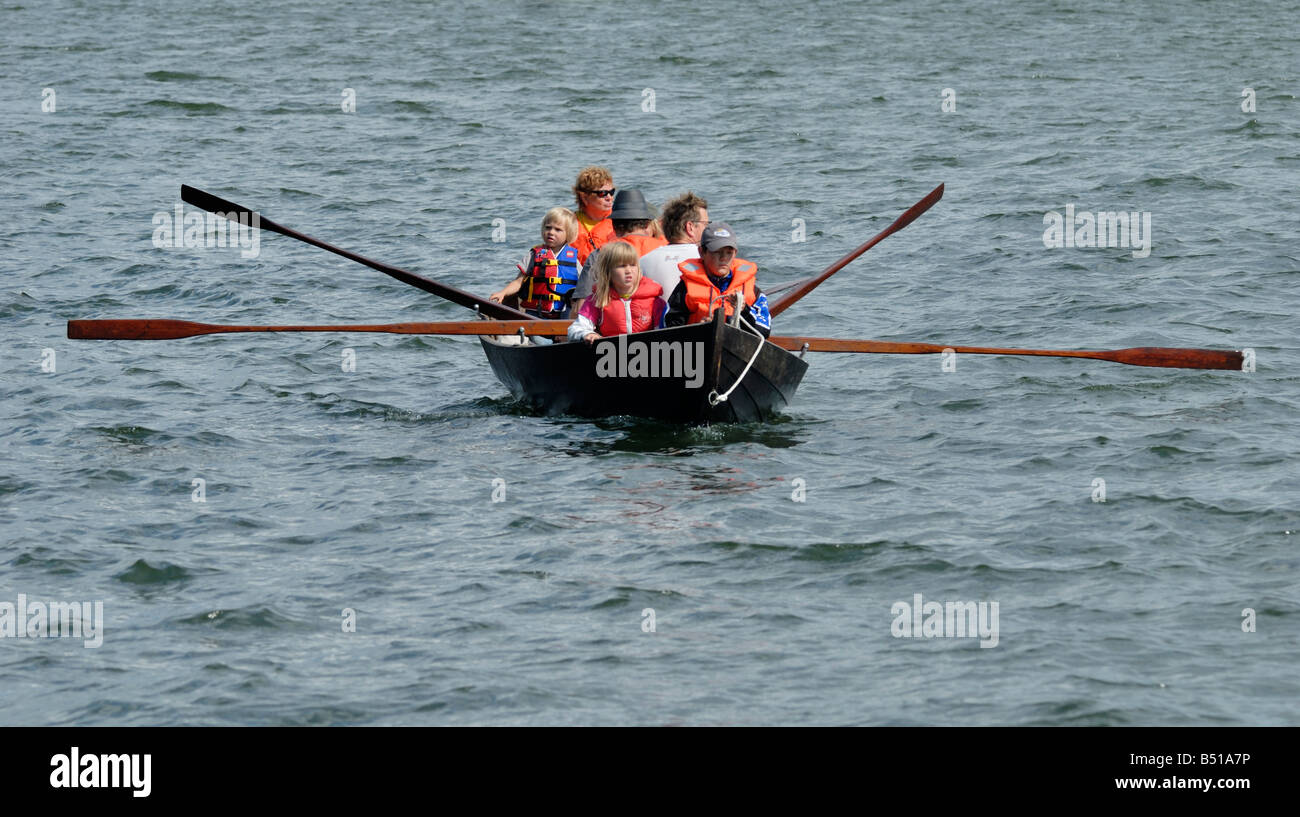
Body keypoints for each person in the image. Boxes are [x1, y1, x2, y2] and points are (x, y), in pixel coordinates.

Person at [488, 208, 579, 345]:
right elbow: (519, 282)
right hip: (536, 313)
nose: (551, 232)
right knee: (539, 341)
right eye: (548, 227)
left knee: (572, 331)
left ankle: (561, 342)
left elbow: (584, 286)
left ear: (569, 234)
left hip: (563, 313)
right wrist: (503, 293)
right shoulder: (534, 255)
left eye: (558, 230)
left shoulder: (573, 259)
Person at [664, 222, 771, 337]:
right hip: (699, 349)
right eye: (717, 252)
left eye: (729, 252)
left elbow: (764, 331)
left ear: (735, 253)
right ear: (702, 252)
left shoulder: (752, 290)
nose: (724, 258)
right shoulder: (685, 288)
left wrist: (744, 310)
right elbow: (668, 329)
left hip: (738, 348)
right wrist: (698, 329)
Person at [571, 189, 666, 312]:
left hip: (616, 326)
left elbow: (581, 308)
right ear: (648, 224)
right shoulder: (666, 250)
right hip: (662, 322)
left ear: (614, 227)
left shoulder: (600, 254)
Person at [567, 240, 666, 344]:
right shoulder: (598, 299)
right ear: (607, 271)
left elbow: (663, 332)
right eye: (621, 266)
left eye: (633, 265)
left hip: (645, 353)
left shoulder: (653, 300)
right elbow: (576, 328)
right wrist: (587, 334)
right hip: (611, 354)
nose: (628, 270)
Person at [638, 192, 709, 304]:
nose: (707, 230)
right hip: (696, 319)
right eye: (705, 225)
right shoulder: (706, 258)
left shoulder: (642, 261)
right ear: (690, 227)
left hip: (658, 320)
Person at [571, 166, 617, 265]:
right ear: (584, 197)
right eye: (602, 193)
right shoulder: (568, 224)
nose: (609, 197)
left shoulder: (620, 221)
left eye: (611, 192)